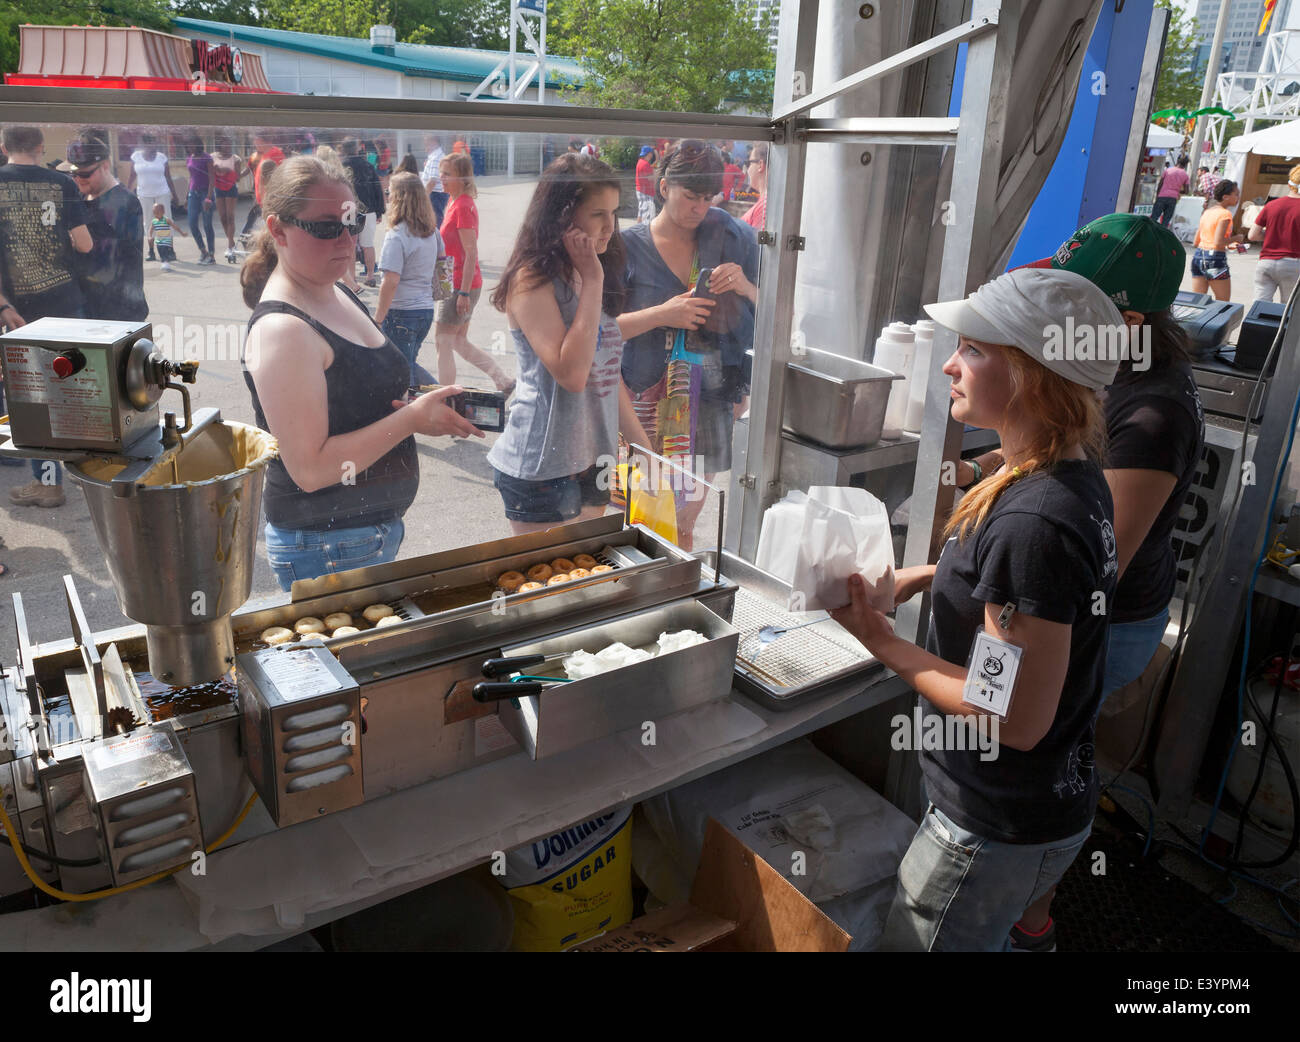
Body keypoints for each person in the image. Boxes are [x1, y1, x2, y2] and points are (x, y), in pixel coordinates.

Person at [829, 266, 1122, 952]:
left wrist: (881, 640)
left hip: (991, 826)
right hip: (1042, 808)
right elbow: (1040, 602)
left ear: (1032, 375)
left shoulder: (1034, 523)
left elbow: (1006, 715)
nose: (950, 367)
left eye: (974, 350)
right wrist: (929, 575)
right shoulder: (1066, 474)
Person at [996, 214, 1203, 950]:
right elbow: (1060, 453)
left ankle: (1028, 921)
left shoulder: (1151, 413)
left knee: (1046, 758)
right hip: (1073, 608)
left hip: (1107, 624)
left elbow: (1097, 550)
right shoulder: (1106, 368)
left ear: (1130, 319)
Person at [239, 155, 482, 590]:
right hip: (326, 542)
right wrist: (410, 419)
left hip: (360, 532)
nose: (347, 240)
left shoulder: (332, 289)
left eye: (353, 223)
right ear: (278, 230)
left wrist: (418, 408)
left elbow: (353, 397)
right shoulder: (283, 330)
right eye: (326, 226)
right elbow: (309, 470)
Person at [487, 154, 652, 534]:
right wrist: (592, 280)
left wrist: (645, 448)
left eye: (614, 212)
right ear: (563, 215)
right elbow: (573, 375)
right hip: (543, 461)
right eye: (597, 214)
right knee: (546, 586)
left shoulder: (591, 271)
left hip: (596, 455)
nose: (610, 226)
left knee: (583, 581)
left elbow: (605, 375)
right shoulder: (533, 280)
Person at [616, 140, 759, 549]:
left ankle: (674, 601)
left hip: (710, 400)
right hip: (642, 399)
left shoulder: (733, 237)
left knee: (680, 525)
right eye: (690, 196)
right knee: (639, 520)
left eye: (708, 198)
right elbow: (601, 333)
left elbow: (777, 312)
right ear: (664, 187)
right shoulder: (628, 247)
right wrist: (663, 314)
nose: (699, 208)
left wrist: (747, 288)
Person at [0, 125, 93, 511]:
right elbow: (85, 243)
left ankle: (48, 483)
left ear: (3, 147)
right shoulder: (63, 183)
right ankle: (85, 467)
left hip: (21, 311)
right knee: (71, 388)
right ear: (41, 148)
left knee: (34, 400)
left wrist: (4, 306)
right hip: (66, 301)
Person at [435, 151, 515, 395]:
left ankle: (444, 398)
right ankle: (503, 380)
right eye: (442, 172)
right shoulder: (453, 201)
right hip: (449, 276)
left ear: (463, 178)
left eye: (447, 174)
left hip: (459, 281)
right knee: (457, 341)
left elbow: (471, 252)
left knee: (443, 342)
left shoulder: (463, 206)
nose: (442, 177)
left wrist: (463, 293)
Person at [71, 130, 148, 322]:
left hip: (119, 312)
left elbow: (106, 260)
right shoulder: (80, 197)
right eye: (75, 173)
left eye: (86, 173)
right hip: (88, 308)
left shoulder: (124, 202)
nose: (79, 179)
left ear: (105, 166)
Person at [374, 172, 442, 385]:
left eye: (389, 193)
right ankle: (443, 396)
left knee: (401, 371)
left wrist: (378, 319)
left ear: (399, 198)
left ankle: (436, 404)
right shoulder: (432, 232)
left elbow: (391, 281)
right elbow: (443, 268)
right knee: (408, 362)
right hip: (424, 310)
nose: (387, 198)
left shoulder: (397, 235)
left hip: (401, 312)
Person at [1248, 162, 1300, 303]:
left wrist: (1270, 235)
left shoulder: (1271, 205)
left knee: (1259, 306)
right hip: (1293, 264)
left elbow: (1252, 235)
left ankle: (1256, 326)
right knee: (1289, 310)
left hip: (1266, 263)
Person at [126, 133, 180, 263]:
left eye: (154, 143)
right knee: (149, 222)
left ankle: (170, 250)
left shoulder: (162, 158)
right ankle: (151, 251)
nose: (152, 146)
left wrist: (175, 194)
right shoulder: (136, 157)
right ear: (143, 145)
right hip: (144, 194)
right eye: (149, 143)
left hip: (162, 193)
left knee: (167, 221)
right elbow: (132, 176)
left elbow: (168, 177)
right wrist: (127, 192)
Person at [341, 137, 385, 288]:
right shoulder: (367, 165)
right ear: (357, 148)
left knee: (350, 245)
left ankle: (352, 277)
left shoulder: (341, 166)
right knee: (368, 244)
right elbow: (377, 188)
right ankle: (371, 276)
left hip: (348, 208)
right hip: (369, 209)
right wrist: (380, 211)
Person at [1191, 179, 1243, 301]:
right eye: (1236, 194)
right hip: (1215, 258)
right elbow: (1218, 242)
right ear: (1225, 197)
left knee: (1197, 301)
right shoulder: (1225, 214)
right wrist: (1237, 238)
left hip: (1199, 256)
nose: (1238, 197)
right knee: (1222, 302)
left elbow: (1195, 242)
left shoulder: (1207, 212)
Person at [240, 132, 284, 238]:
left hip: (270, 200)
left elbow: (280, 175)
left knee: (271, 228)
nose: (255, 145)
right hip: (261, 199)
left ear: (264, 141)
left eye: (257, 142)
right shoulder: (262, 155)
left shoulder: (275, 153)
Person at [211, 136, 244, 263]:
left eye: (229, 144)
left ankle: (230, 246)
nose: (227, 146)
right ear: (220, 145)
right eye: (225, 144)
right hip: (218, 188)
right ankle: (232, 242)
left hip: (230, 188)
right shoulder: (212, 157)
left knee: (230, 217)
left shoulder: (235, 159)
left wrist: (226, 170)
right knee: (222, 217)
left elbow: (238, 177)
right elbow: (210, 171)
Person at [184, 137, 217, 264]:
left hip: (205, 193)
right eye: (188, 145)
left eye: (192, 144)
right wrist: (187, 196)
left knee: (207, 224)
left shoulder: (207, 158)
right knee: (192, 223)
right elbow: (191, 178)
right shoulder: (189, 158)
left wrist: (208, 198)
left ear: (198, 144)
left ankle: (212, 255)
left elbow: (212, 178)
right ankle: (203, 251)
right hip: (193, 194)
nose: (190, 147)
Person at [150, 201, 188, 272]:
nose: (156, 214)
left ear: (163, 212)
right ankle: (164, 262)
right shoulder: (154, 221)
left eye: (158, 212)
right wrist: (150, 236)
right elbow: (151, 229)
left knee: (165, 251)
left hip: (166, 240)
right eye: (154, 213)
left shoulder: (166, 220)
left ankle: (166, 264)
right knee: (160, 251)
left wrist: (182, 233)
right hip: (158, 240)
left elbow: (175, 227)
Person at [1151, 156, 1189, 228]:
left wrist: (1157, 196)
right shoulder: (1185, 175)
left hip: (1162, 196)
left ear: (1177, 161)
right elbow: (1187, 191)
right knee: (1166, 220)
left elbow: (1160, 184)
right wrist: (1176, 189)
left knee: (1154, 218)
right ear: (1186, 164)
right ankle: (1161, 237)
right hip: (1173, 198)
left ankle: (1149, 233)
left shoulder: (1168, 170)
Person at [421, 134, 448, 225]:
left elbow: (432, 181)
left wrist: (422, 197)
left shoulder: (436, 158)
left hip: (435, 194)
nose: (425, 146)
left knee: (435, 222)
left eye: (426, 143)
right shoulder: (435, 156)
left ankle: (437, 238)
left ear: (433, 142)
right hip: (436, 194)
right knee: (435, 220)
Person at [740, 143, 768, 230]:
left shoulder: (766, 206)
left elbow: (757, 242)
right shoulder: (766, 202)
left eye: (749, 163)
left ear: (760, 165)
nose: (747, 169)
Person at [635, 146, 656, 224]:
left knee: (641, 211)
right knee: (647, 214)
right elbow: (650, 178)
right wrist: (656, 174)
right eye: (651, 154)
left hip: (640, 190)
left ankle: (638, 228)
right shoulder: (645, 164)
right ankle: (645, 231)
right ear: (649, 154)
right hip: (646, 191)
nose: (651, 156)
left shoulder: (640, 162)